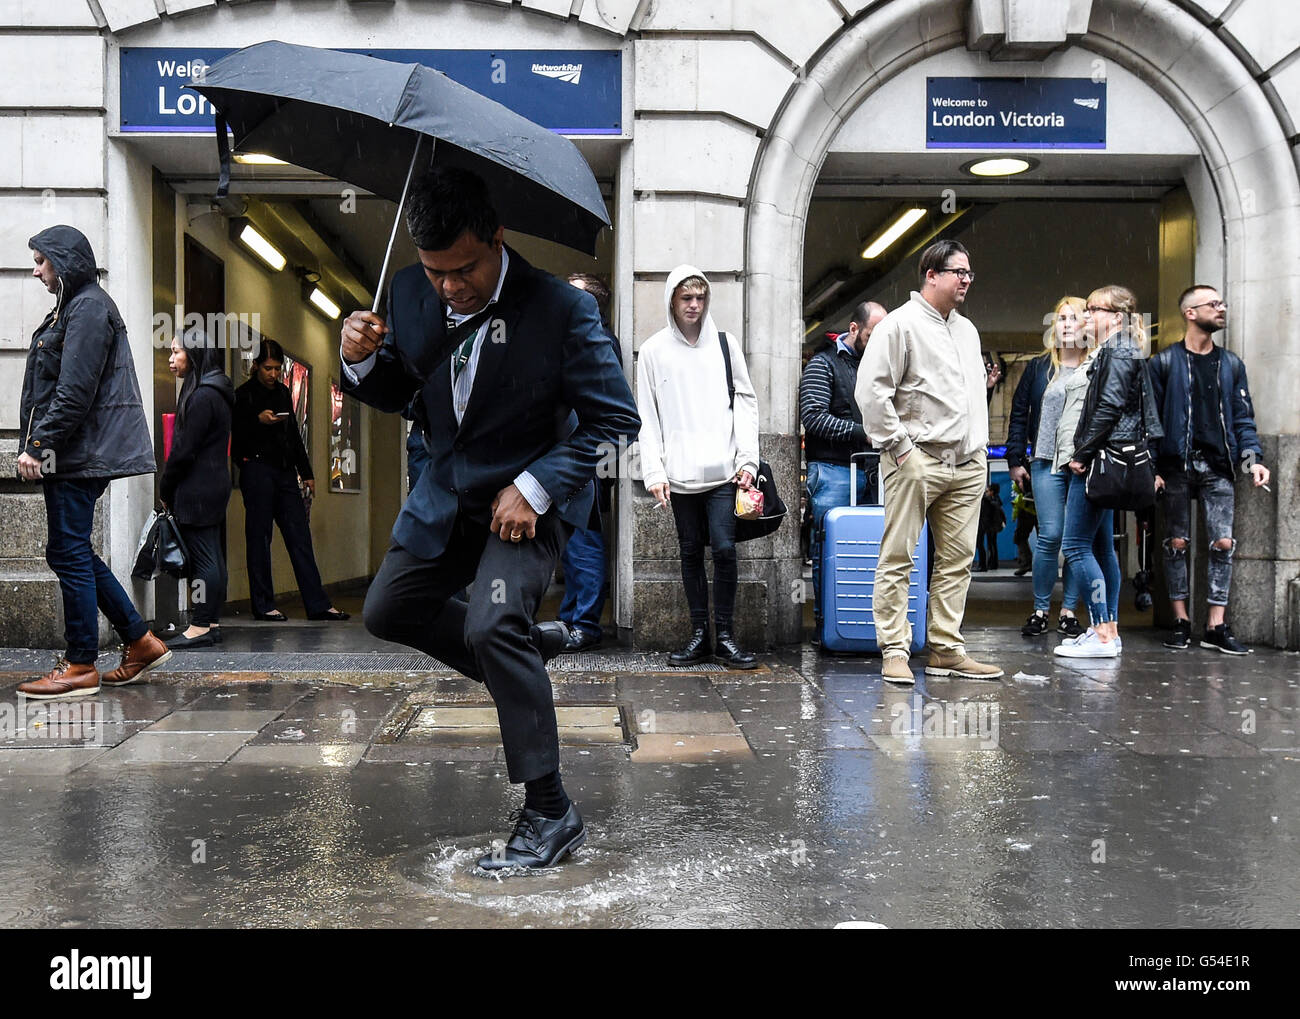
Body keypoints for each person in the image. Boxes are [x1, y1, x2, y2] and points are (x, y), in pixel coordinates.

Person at [339, 167, 639, 872]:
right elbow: (405, 391)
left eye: (465, 268)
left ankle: (550, 809)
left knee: (490, 621)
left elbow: (615, 421)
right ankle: (521, 655)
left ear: (497, 237)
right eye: (436, 271)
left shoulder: (563, 310)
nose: (450, 286)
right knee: (387, 608)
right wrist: (358, 363)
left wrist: (536, 487)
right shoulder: (411, 292)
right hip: (447, 495)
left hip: (525, 505)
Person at [16, 225, 171, 699]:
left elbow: (74, 393)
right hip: (73, 454)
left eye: (42, 261)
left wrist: (39, 447)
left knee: (67, 552)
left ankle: (81, 662)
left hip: (75, 456)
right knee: (72, 551)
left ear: (63, 262)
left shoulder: (87, 308)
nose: (36, 269)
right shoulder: (76, 306)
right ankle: (140, 641)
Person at [857, 239, 1003, 683]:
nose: (966, 280)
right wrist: (900, 449)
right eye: (959, 271)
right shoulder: (898, 326)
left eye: (969, 273)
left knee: (957, 561)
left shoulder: (968, 329)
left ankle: (945, 647)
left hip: (966, 462)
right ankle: (895, 650)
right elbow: (872, 392)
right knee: (899, 557)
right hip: (917, 458)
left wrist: (978, 451)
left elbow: (971, 396)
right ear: (931, 274)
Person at [637, 265, 761, 670]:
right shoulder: (653, 351)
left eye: (700, 298)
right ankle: (698, 635)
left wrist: (747, 459)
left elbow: (745, 401)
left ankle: (725, 636)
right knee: (689, 552)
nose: (694, 305)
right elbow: (647, 416)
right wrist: (654, 472)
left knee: (725, 550)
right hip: (678, 475)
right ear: (672, 300)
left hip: (724, 471)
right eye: (686, 298)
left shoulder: (726, 344)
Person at [1148, 285, 1269, 654]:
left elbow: (1243, 418)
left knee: (1223, 543)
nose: (1221, 309)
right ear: (1190, 312)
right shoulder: (1164, 362)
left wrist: (1253, 460)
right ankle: (1181, 621)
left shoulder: (1231, 364)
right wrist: (1151, 467)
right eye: (1213, 304)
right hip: (1176, 465)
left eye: (1222, 303)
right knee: (1176, 544)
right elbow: (1151, 421)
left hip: (1219, 463)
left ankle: (1216, 625)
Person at [1054, 285, 1161, 659]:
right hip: (1110, 460)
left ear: (1117, 317)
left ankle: (1101, 632)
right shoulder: (1122, 350)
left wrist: (1082, 453)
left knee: (1076, 546)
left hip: (1101, 460)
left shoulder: (1118, 350)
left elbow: (1111, 406)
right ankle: (1108, 630)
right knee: (1101, 547)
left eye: (1094, 309)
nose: (1086, 316)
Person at [231, 339, 348, 622]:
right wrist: (258, 422)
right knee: (259, 538)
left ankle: (318, 604)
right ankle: (263, 604)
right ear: (256, 366)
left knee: (300, 536)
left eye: (277, 368)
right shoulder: (243, 396)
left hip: (284, 472)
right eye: (268, 368)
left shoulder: (283, 393)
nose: (273, 374)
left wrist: (306, 473)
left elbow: (294, 435)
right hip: (256, 470)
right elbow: (235, 439)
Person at [800, 300, 886, 632]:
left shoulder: (881, 368)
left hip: (873, 472)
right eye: (873, 334)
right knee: (830, 552)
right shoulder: (823, 364)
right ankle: (829, 628)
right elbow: (814, 417)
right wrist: (864, 433)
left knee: (871, 556)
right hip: (834, 471)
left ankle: (864, 627)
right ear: (854, 329)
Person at [1007, 296, 1088, 638]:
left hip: (1084, 464)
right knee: (1050, 535)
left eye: (1074, 318)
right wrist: (1014, 458)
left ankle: (1068, 611)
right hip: (1044, 461)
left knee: (1075, 541)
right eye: (1061, 318)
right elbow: (1019, 411)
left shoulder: (1096, 366)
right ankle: (1040, 609)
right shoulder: (1039, 367)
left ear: (1087, 325)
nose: (1067, 324)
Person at [159, 326, 235, 649]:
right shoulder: (217, 390)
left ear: (194, 354)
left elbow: (184, 450)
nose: (171, 358)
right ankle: (211, 621)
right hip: (215, 483)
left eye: (177, 351)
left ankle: (200, 625)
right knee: (213, 555)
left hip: (198, 488)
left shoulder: (202, 395)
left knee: (203, 559)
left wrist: (166, 485)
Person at [556, 272, 620, 653]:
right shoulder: (578, 339)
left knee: (584, 541)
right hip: (570, 456)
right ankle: (570, 619)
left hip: (587, 458)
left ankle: (584, 625)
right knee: (571, 542)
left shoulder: (598, 343)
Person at [975, 483, 1006, 571]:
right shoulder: (996, 501)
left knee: (982, 544)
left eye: (987, 491)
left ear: (992, 492)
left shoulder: (987, 501)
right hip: (991, 525)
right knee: (992, 544)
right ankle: (992, 563)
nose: (986, 492)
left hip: (986, 524)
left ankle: (984, 564)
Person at [1010, 478, 1036, 576]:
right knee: (1045, 540)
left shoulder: (1023, 468)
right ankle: (1047, 566)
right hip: (1039, 507)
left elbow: (1016, 488)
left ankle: (1026, 562)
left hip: (1026, 508)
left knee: (1019, 537)